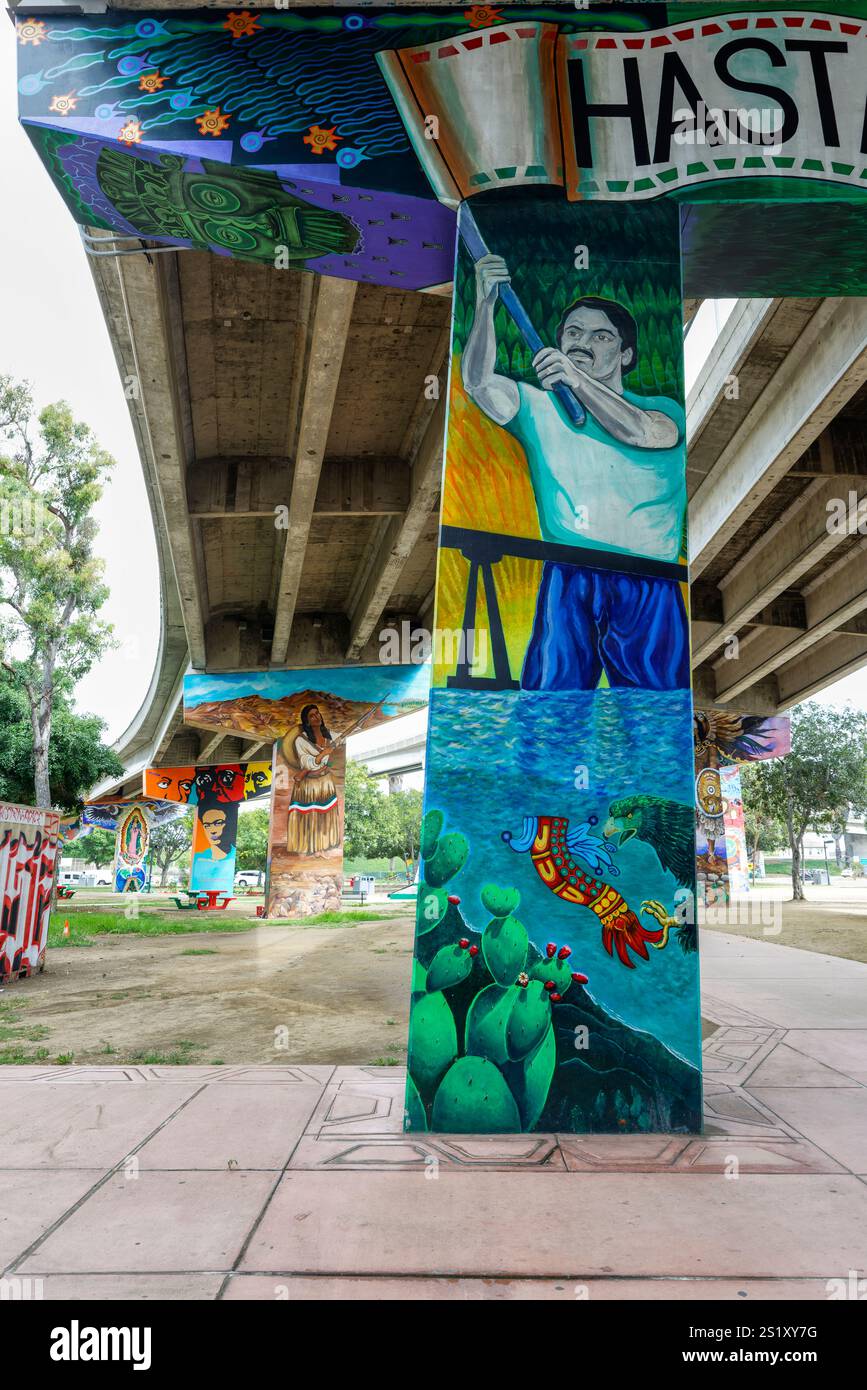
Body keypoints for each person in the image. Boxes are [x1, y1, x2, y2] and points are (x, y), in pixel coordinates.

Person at [462, 256, 689, 691]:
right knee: (552, 702)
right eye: (573, 333)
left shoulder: (661, 411)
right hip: (566, 576)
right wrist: (484, 304)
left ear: (625, 354)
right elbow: (478, 383)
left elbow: (640, 433)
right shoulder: (537, 406)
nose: (583, 342)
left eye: (601, 336)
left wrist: (579, 384)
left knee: (651, 707)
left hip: (648, 584)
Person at [286, 704, 341, 855]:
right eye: (312, 715)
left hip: (326, 782)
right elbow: (306, 763)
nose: (317, 717)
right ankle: (308, 847)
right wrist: (323, 754)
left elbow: (345, 735)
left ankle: (323, 846)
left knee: (325, 814)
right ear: (307, 721)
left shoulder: (330, 736)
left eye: (317, 713)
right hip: (309, 783)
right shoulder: (301, 740)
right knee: (310, 814)